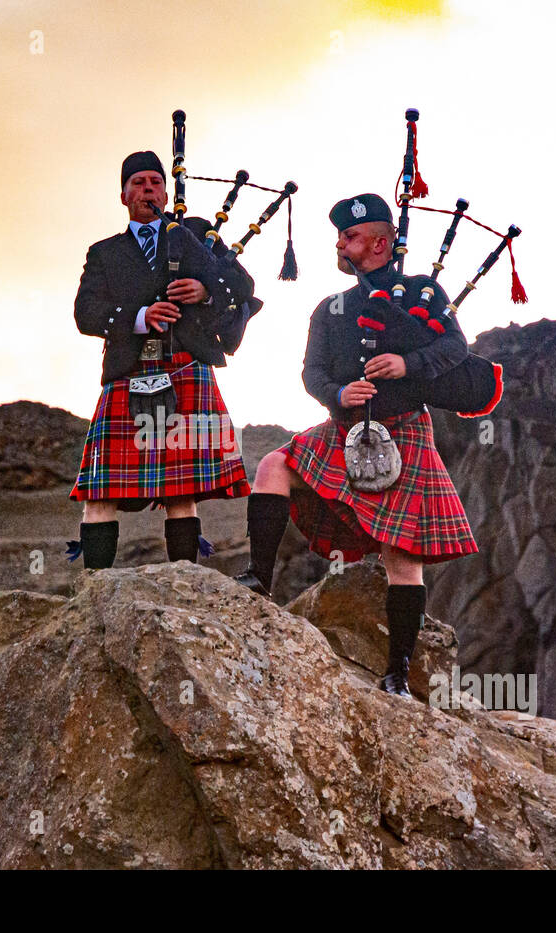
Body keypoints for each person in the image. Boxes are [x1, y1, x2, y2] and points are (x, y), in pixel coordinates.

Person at [234, 193, 478, 698]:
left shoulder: (423, 292)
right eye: (340, 237)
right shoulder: (331, 308)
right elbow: (312, 373)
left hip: (404, 428)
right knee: (273, 468)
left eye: (349, 237)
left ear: (380, 243)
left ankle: (397, 674)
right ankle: (259, 579)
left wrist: (406, 365)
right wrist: (339, 393)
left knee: (402, 555)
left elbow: (455, 348)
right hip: (343, 427)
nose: (339, 244)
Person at [68, 150, 261, 569]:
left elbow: (241, 285)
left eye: (156, 181)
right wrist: (139, 317)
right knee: (100, 490)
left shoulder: (192, 234)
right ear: (123, 196)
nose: (148, 189)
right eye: (138, 183)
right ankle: (94, 589)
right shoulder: (104, 252)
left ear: (166, 190)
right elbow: (86, 313)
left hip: (187, 366)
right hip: (129, 371)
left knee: (181, 488)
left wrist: (204, 290)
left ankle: (186, 580)